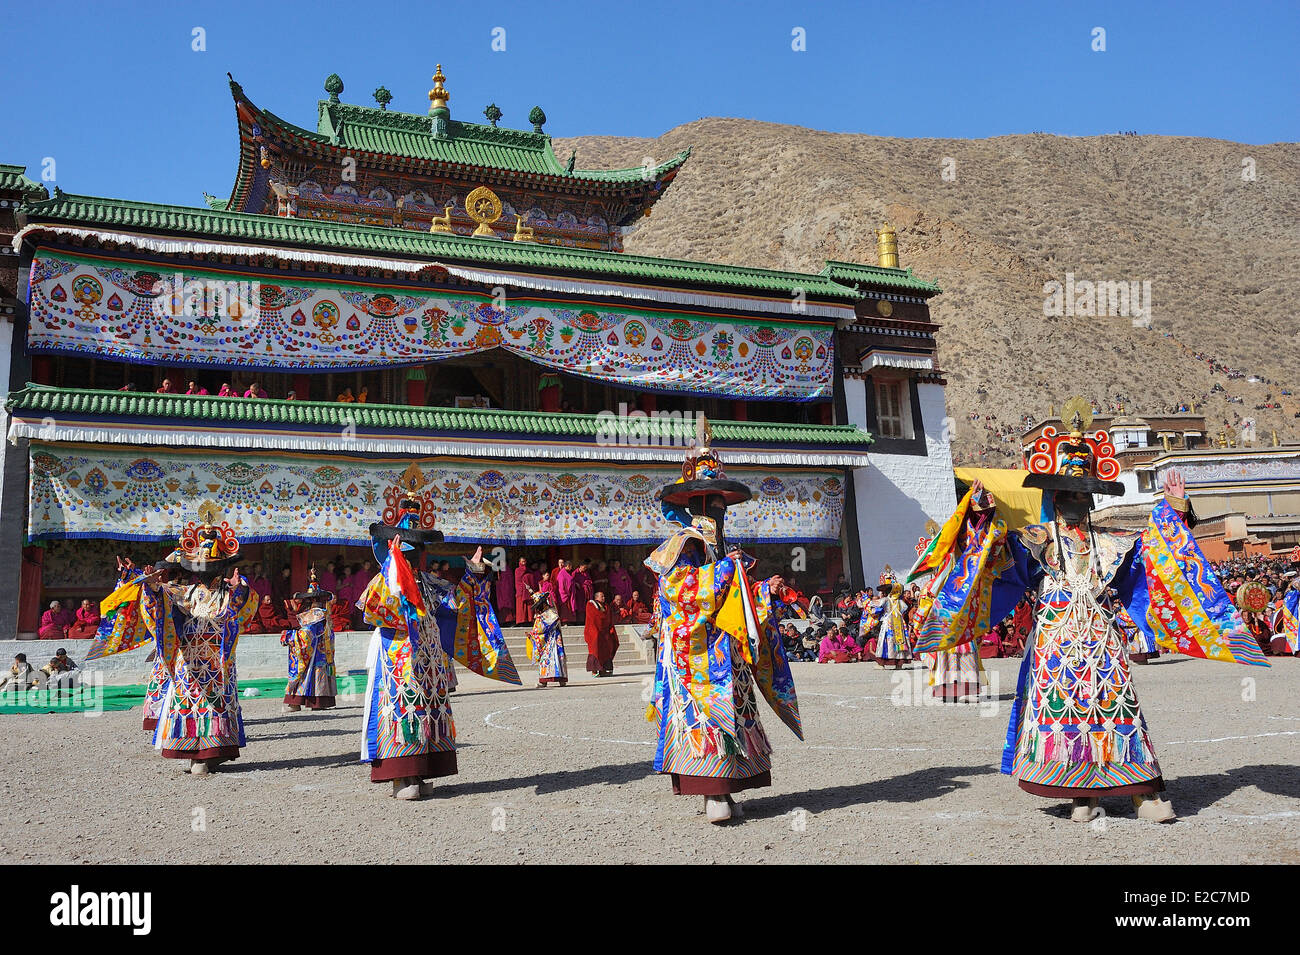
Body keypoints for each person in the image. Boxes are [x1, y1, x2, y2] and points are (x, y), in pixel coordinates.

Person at [908, 400, 1268, 824]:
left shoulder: (1113, 540)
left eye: (1084, 492)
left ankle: (1143, 792)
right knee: (1064, 712)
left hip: (1101, 639)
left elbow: (1155, 560)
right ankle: (1083, 794)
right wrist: (983, 511)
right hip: (1055, 643)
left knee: (1120, 708)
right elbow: (995, 560)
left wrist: (1175, 510)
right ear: (1052, 495)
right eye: (1068, 492)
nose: (1076, 500)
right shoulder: (1035, 538)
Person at [645, 418, 802, 824]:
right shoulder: (682, 545)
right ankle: (711, 793)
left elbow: (741, 599)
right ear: (696, 507)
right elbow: (676, 592)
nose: (719, 511)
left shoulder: (726, 548)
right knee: (707, 717)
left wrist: (766, 589)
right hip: (696, 655)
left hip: (727, 650)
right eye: (711, 504)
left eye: (721, 504)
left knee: (736, 714)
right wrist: (722, 574)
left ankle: (730, 790)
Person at [357, 497, 520, 800]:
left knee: (428, 710)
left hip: (428, 659)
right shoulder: (386, 580)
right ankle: (400, 777)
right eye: (407, 552)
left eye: (416, 551)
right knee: (402, 708)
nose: (413, 557)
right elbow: (374, 611)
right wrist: (395, 576)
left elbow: (456, 603)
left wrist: (474, 573)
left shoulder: (426, 581)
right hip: (398, 657)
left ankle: (421, 770)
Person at [90, 518, 258, 774]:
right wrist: (153, 589)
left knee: (216, 703)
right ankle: (196, 755)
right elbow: (161, 605)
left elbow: (242, 611)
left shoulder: (228, 593)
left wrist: (240, 590)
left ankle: (214, 752)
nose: (206, 572)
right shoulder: (186, 593)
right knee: (192, 702)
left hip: (216, 658)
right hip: (189, 659)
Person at [280, 570, 337, 713]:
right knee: (317, 673)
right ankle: (319, 702)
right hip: (322, 654)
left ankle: (295, 703)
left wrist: (289, 636)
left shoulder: (315, 614)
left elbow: (306, 635)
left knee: (303, 672)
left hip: (312, 653)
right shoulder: (325, 614)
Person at [866, 571, 912, 669]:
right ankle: (899, 663)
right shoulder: (900, 602)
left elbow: (873, 605)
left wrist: (866, 600)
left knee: (886, 641)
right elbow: (905, 609)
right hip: (899, 622)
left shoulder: (886, 600)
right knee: (899, 641)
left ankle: (882, 663)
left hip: (889, 623)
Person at [529, 590, 568, 687]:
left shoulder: (551, 612)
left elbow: (550, 623)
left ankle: (560, 679)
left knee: (555, 657)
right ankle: (544, 680)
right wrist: (533, 634)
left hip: (553, 639)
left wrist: (536, 631)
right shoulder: (542, 614)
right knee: (546, 659)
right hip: (546, 639)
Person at [583, 589, 617, 677]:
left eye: (604, 596)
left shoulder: (606, 606)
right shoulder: (591, 604)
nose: (603, 598)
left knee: (606, 650)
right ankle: (594, 670)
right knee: (595, 650)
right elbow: (593, 618)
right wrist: (596, 631)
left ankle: (604, 669)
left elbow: (608, 617)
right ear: (596, 597)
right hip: (594, 631)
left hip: (605, 632)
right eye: (602, 596)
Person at [555, 559, 575, 625]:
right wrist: (565, 594)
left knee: (569, 609)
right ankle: (564, 621)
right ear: (568, 566)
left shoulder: (567, 573)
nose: (571, 568)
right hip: (564, 595)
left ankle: (569, 621)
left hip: (569, 594)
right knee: (565, 609)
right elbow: (561, 585)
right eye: (571, 566)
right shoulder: (562, 574)